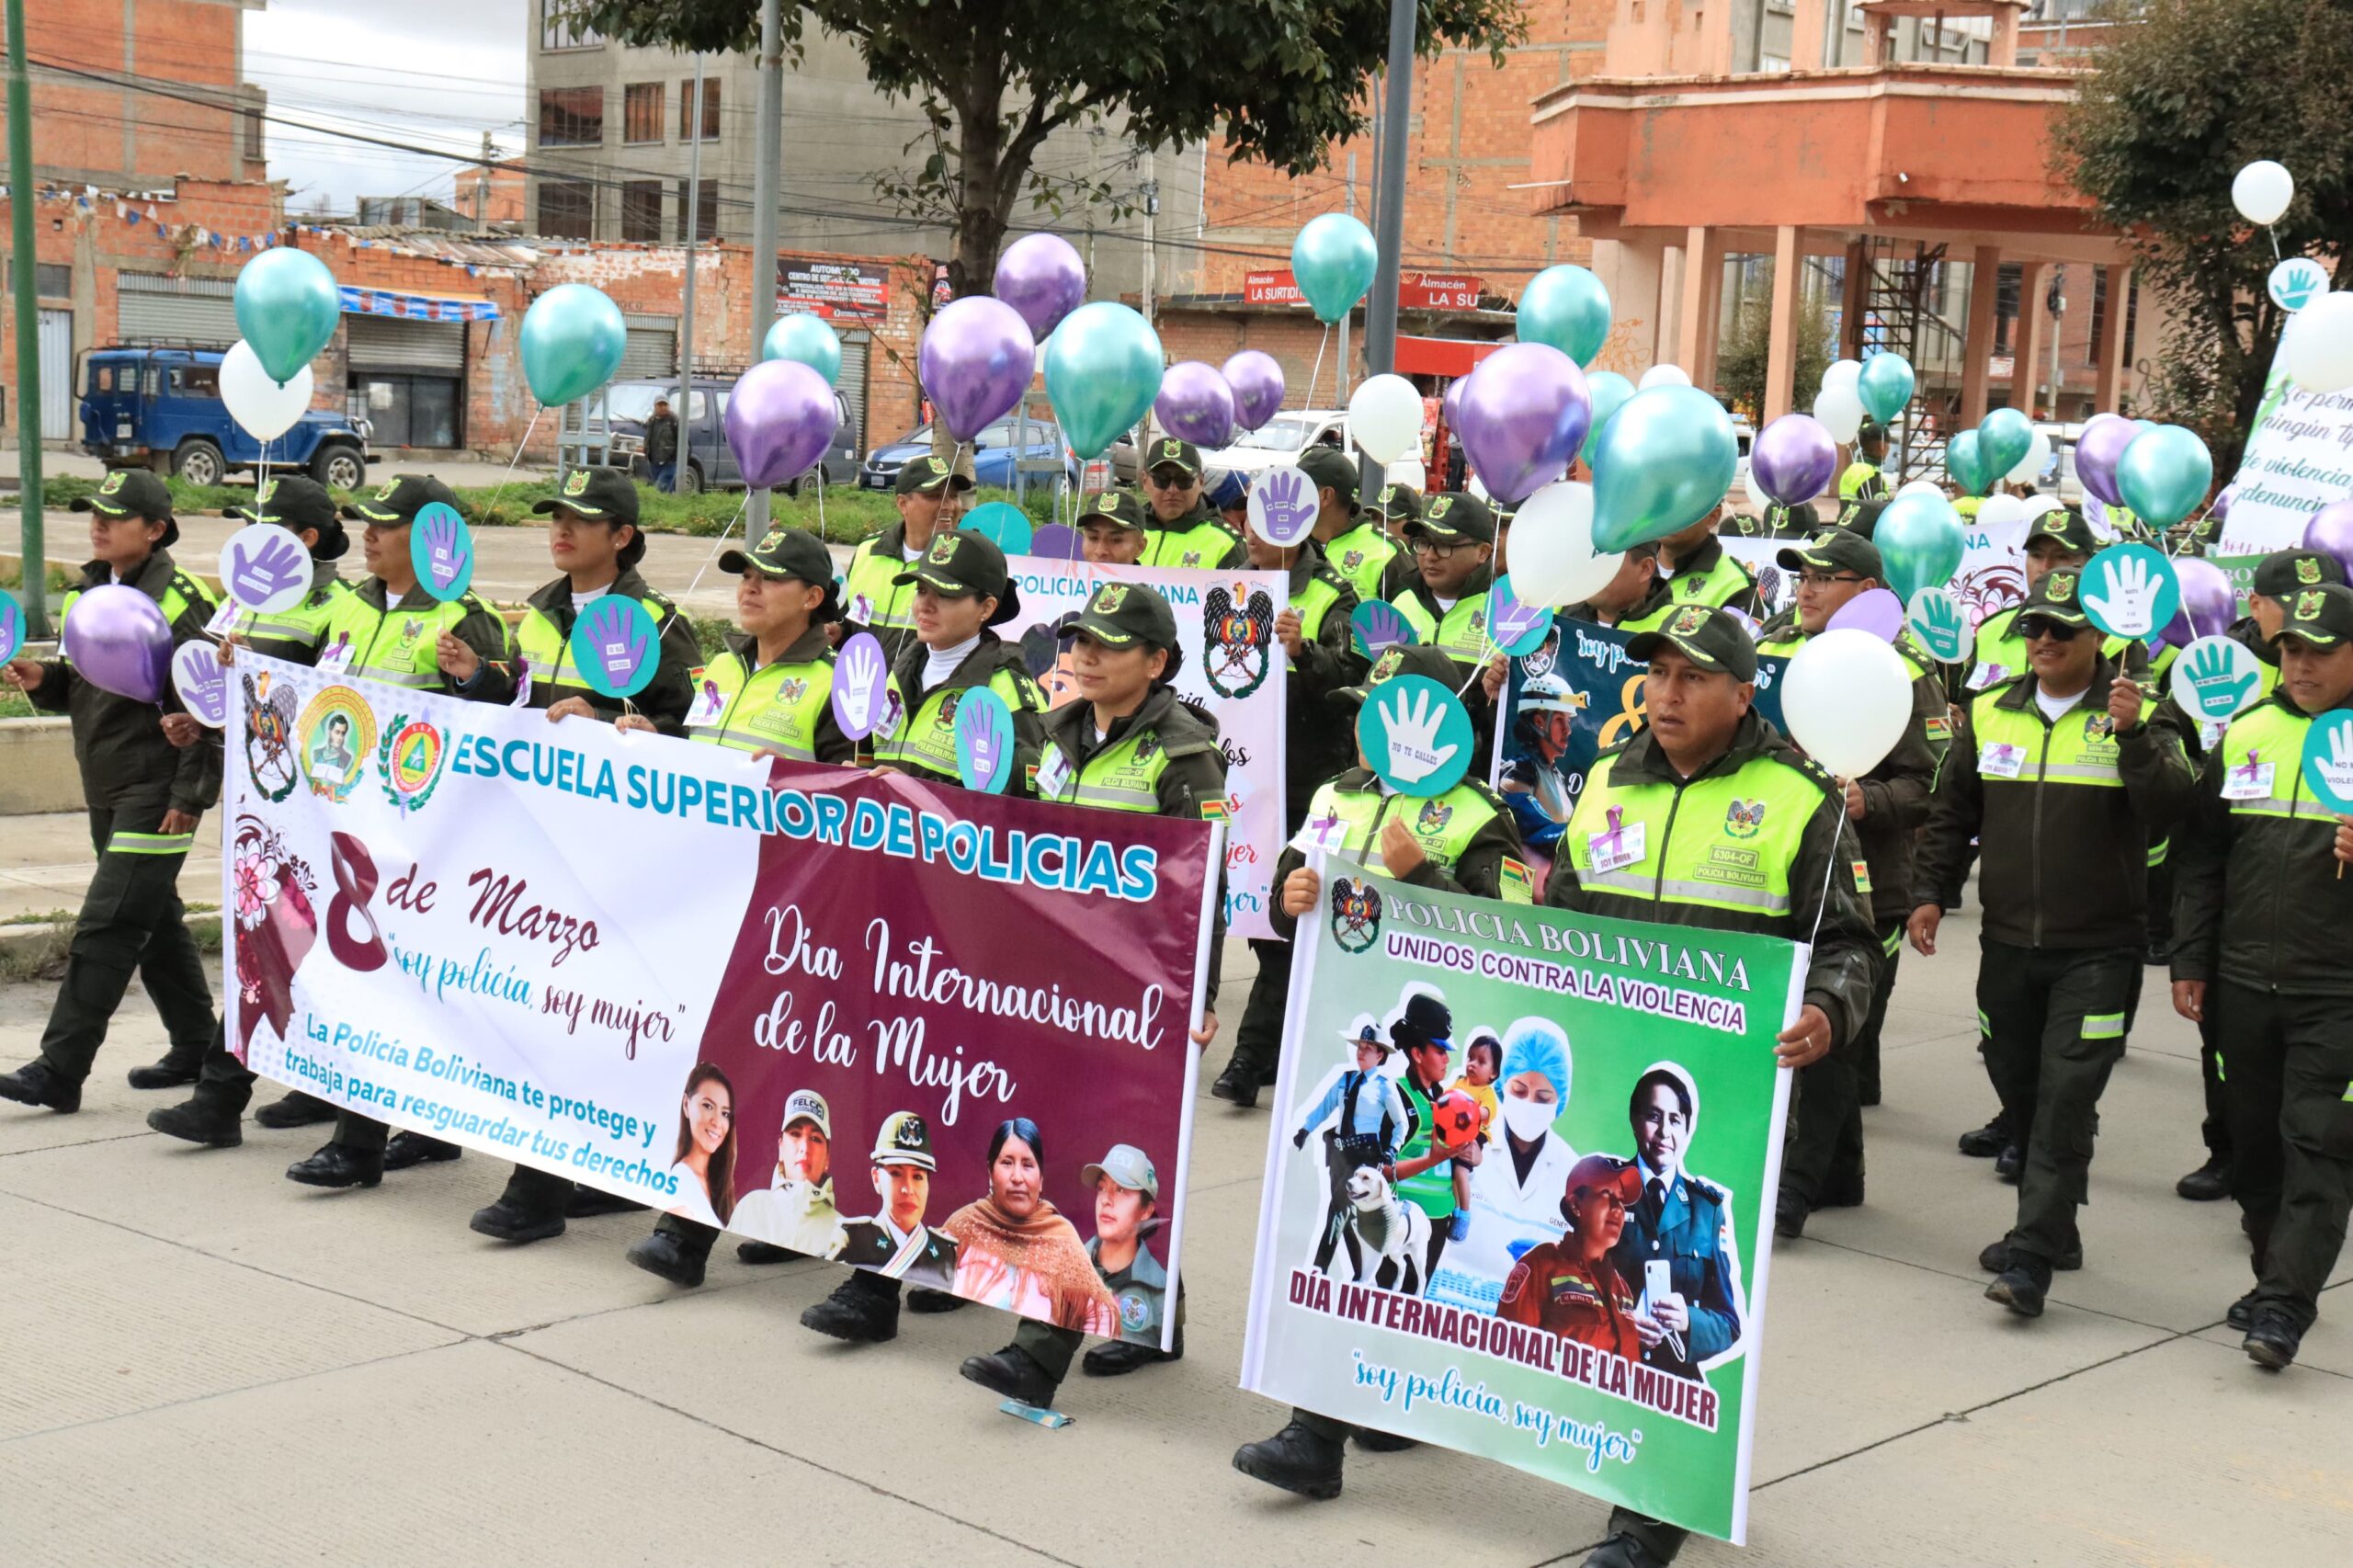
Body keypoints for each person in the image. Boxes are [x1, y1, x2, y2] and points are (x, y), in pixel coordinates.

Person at [1542, 604, 1875, 1568]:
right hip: (1608, 1080)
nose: (1667, 692)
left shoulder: (1798, 795)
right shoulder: (1604, 777)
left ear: (1742, 692)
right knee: (1583, 1285)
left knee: (1680, 1306)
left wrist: (1828, 1011)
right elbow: (1558, 919)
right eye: (1656, 671)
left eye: (1692, 676)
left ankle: (1650, 1507)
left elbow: (1851, 942)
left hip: (1723, 1101)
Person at [964, 580, 1224, 1401]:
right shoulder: (1052, 732)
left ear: (1156, 662)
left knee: (1105, 1162)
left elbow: (1206, 886)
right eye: (1080, 639)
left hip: (1140, 990)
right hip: (1055, 982)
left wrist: (1201, 994)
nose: (1085, 655)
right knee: (1108, 1155)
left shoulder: (1184, 752)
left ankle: (1038, 1354)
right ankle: (1152, 1319)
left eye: (1109, 645)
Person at [1910, 568, 2195, 1315]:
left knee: (2068, 1095)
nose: (2040, 640)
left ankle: (2032, 1256)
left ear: (2098, 636)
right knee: (2020, 1081)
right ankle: (2058, 1226)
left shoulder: (2142, 712)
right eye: (2033, 626)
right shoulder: (1990, 710)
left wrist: (2133, 738)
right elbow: (1952, 812)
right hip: (2007, 944)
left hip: (2099, 950)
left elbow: (2175, 810)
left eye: (2060, 629)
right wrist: (1931, 893)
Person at [228, 476, 512, 1186]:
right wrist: (247, 667)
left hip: (418, 846)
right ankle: (416, 1125)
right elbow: (302, 691)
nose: (371, 535)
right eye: (370, 523)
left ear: (429, 537)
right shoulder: (349, 607)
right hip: (336, 831)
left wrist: (474, 678)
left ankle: (358, 1148)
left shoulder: (465, 616)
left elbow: (504, 717)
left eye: (388, 525)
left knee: (390, 986)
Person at [442, 466, 700, 1244]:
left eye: (580, 520)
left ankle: (536, 1191)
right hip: (539, 852)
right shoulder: (542, 612)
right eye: (556, 516)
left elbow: (690, 741)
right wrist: (478, 681)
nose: (561, 530)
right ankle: (599, 1169)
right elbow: (525, 705)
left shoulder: (659, 626)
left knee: (572, 1019)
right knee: (554, 1015)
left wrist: (620, 724)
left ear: (621, 538)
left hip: (618, 863)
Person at [1212, 644, 1531, 1108]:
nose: (1361, 725)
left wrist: (1420, 876)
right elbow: (1282, 915)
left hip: (1415, 1039)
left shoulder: (1480, 812)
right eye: (1360, 709)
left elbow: (1506, 937)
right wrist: (1288, 901)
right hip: (1324, 1029)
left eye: (1376, 711)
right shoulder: (1332, 794)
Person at [2170, 580, 2353, 1370]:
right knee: (2253, 1148)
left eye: (2322, 653)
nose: (2302, 666)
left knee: (2318, 1143)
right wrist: (2190, 960)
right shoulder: (2246, 729)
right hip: (2242, 983)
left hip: (2337, 994)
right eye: (2292, 651)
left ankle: (2283, 1307)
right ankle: (2272, 1274)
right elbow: (2204, 853)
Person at [0, 468, 220, 1114]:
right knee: (154, 919)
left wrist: (189, 795)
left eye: (114, 516)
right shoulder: (91, 589)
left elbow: (205, 705)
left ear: (154, 530)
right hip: (107, 782)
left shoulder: (180, 601)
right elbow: (97, 682)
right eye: (93, 511)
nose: (97, 523)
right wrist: (46, 677)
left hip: (157, 791)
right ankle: (195, 1043)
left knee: (110, 922)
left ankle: (60, 1068)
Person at [146, 475, 358, 1144]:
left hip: (317, 815)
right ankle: (302, 1085)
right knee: (273, 946)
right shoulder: (237, 604)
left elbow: (334, 721)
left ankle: (221, 1097)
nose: (247, 541)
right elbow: (218, 693)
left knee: (277, 945)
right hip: (254, 807)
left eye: (262, 529)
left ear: (306, 540)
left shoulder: (338, 611)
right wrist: (198, 725)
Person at [1755, 530, 1942, 1234]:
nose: (1805, 588)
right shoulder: (1777, 651)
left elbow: (1931, 783)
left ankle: (1794, 1190)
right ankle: (1840, 1174)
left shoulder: (1903, 668)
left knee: (1830, 1036)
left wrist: (1872, 800)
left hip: (1872, 885)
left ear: (1867, 593)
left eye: (1824, 577)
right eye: (1801, 576)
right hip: (1789, 867)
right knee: (1828, 1039)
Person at [1209, 505, 1365, 1107]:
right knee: (1258, 913)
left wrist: (1305, 652)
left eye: (1261, 524)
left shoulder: (1333, 595)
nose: (1246, 532)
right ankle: (1272, 1049)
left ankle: (1250, 1059)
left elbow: (1350, 682)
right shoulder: (1229, 573)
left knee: (1281, 913)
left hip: (1305, 779)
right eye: (1245, 520)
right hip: (1239, 771)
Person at [868, 530, 1048, 789]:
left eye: (945, 594)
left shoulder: (1007, 693)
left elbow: (1022, 807)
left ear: (986, 608)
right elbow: (870, 758)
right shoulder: (899, 673)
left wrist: (916, 794)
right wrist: (857, 777)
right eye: (921, 590)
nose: (925, 605)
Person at [1612, 1065, 1746, 1381]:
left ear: (1687, 1130)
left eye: (1675, 1120)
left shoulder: (1707, 1210)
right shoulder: (1604, 1189)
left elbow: (1729, 1323)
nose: (1664, 1132)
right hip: (1609, 1368)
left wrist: (1688, 1319)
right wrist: (1620, 1324)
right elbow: (1569, 1290)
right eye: (1654, 1116)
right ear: (1634, 1120)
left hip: (1674, 1385)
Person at [1440, 1019, 1583, 1313]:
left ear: (1561, 1100)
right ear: (1501, 1084)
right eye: (1518, 1090)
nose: (1530, 1103)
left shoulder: (1574, 1175)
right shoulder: (1462, 1139)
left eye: (1544, 1097)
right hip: (1448, 1307)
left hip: (1524, 1331)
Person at [942, 1118, 1120, 1343]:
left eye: (1027, 1165)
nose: (1017, 1177)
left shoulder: (1061, 1238)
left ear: (1041, 1179)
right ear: (990, 1172)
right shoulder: (965, 1224)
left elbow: (1102, 1315)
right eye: (1006, 1163)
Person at [1290, 1019, 1415, 1275]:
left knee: (1337, 1208)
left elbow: (1401, 1122)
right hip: (1339, 1153)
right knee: (1346, 1216)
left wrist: (1393, 1149)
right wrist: (1305, 1129)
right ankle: (1359, 1273)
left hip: (1364, 1155)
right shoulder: (1345, 1080)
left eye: (1368, 1047)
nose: (1361, 1051)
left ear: (1380, 1055)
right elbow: (1325, 1107)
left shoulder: (1384, 1085)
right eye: (1360, 1045)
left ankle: (1318, 1268)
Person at [1496, 1153, 1647, 1361]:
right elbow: (1506, 1353)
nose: (1617, 1209)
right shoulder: (1539, 1265)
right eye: (1606, 1194)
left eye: (1621, 1200)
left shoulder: (1621, 1289)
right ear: (1576, 1205)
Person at [839, 456, 972, 665]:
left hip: (924, 693)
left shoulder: (966, 561)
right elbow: (845, 620)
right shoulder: (868, 551)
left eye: (953, 496)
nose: (948, 506)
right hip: (859, 690)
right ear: (903, 504)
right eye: (935, 496)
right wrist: (835, 631)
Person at [827, 1110, 961, 1295]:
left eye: (918, 1177)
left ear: (928, 1185)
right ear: (876, 1179)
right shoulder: (853, 1240)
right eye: (896, 1174)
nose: (908, 1189)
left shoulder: (944, 1252)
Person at [716, 1089, 845, 1261]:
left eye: (815, 1138)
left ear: (827, 1158)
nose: (804, 1148)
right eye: (795, 1134)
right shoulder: (751, 1206)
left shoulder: (842, 1233)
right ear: (781, 1148)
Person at [1391, 493, 1497, 682]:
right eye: (1423, 543)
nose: (1430, 556)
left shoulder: (1505, 614)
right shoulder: (1401, 604)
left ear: (1483, 552)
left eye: (1445, 545)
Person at [1083, 1144, 1171, 1353]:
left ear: (1146, 1210)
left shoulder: (1159, 1287)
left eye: (1121, 1190)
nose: (1106, 1200)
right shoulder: (1067, 1263)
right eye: (1102, 1188)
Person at [1303, 446, 1409, 605]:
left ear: (1326, 495)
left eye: (1299, 488)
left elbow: (1411, 621)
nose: (1290, 496)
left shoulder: (1386, 552)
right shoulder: (1286, 545)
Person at [1135, 437, 1247, 570]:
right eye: (1162, 480)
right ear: (1144, 481)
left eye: (1184, 480)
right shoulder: (1125, 533)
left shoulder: (1229, 544)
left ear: (1200, 482)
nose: (1172, 490)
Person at [1653, 506, 1763, 617]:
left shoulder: (1738, 586)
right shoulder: (1636, 560)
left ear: (1713, 517)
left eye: (1684, 504)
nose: (1669, 514)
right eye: (1664, 502)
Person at [665, 1063, 737, 1228]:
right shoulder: (681, 1179)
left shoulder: (720, 1185)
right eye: (708, 1106)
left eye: (725, 1113)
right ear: (686, 1105)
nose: (717, 1122)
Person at [1836, 418, 1892, 527]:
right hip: (1862, 536)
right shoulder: (1873, 476)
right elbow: (1878, 514)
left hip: (1846, 530)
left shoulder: (1851, 470)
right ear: (1882, 446)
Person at [1077, 489, 1150, 566]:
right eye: (1093, 538)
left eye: (1116, 540)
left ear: (1140, 547)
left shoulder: (1154, 578)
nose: (1100, 551)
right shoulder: (1067, 576)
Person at [645, 396, 680, 493]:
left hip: (669, 463)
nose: (663, 407)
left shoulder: (674, 421)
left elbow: (683, 442)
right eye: (660, 405)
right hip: (654, 463)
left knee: (660, 489)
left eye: (665, 404)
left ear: (669, 406)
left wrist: (674, 458)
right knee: (665, 491)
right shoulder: (651, 421)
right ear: (655, 406)